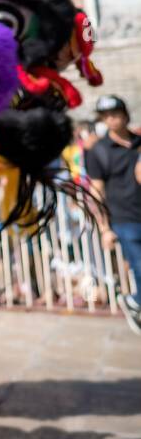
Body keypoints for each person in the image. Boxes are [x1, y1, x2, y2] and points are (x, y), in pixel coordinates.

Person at [85, 94, 141, 334]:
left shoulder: (139, 142)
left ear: (125, 115)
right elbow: (96, 192)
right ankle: (136, 301)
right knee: (139, 264)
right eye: (106, 116)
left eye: (115, 114)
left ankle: (135, 301)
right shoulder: (99, 151)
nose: (112, 120)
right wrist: (104, 227)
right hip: (124, 218)